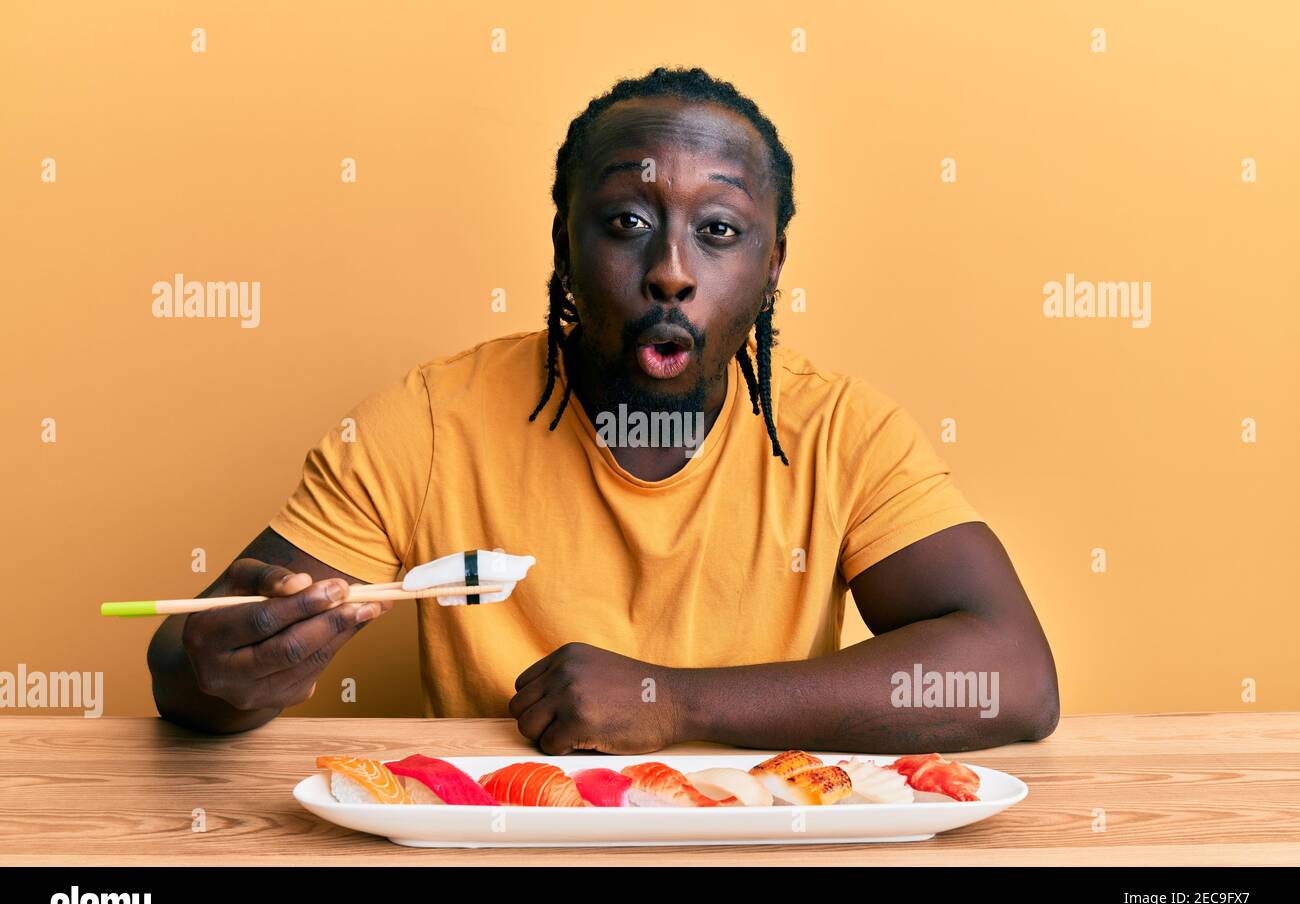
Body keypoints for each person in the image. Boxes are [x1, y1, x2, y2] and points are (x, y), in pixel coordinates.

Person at [148, 66, 1059, 754]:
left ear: (773, 264)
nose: (670, 268)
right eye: (627, 222)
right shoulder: (428, 422)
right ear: (564, 242)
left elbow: (1014, 677)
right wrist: (232, 666)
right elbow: (183, 673)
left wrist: (676, 699)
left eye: (719, 230)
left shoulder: (840, 430)